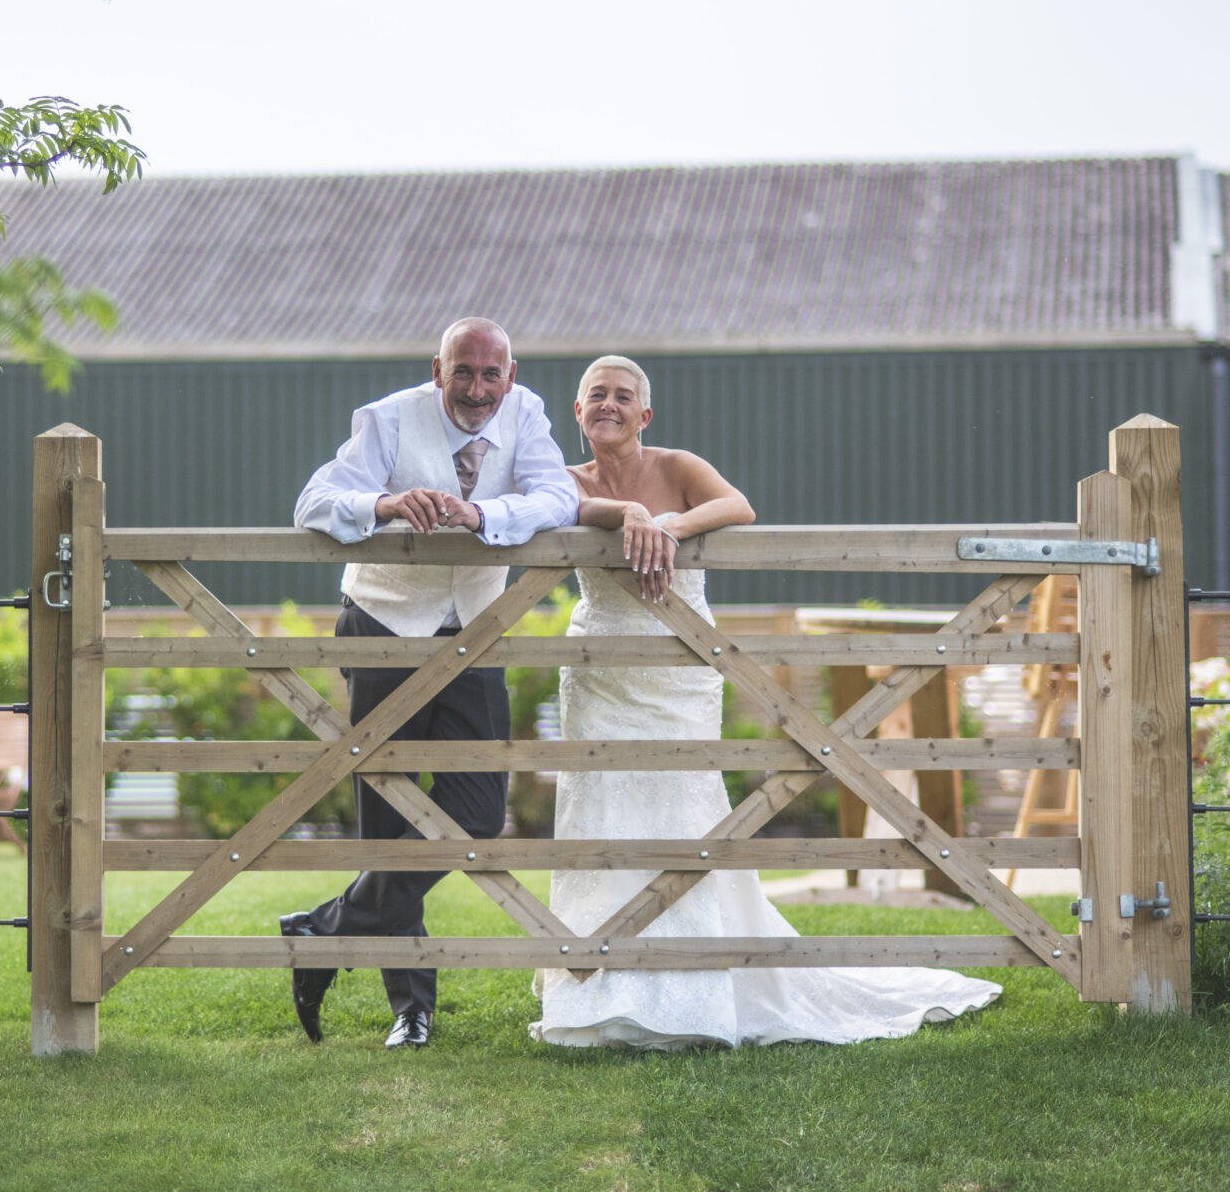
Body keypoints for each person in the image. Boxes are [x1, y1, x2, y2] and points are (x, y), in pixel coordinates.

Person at [531, 354, 1001, 1049]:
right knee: (598, 800)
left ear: (644, 413)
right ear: (576, 411)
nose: (609, 404)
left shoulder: (678, 463)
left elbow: (739, 505)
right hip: (600, 670)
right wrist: (625, 510)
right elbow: (557, 509)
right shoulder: (562, 480)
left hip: (680, 668)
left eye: (623, 395)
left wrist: (666, 525)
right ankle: (599, 976)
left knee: (682, 805)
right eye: (595, 394)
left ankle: (693, 982)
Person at [285, 317, 579, 1049]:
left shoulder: (528, 414)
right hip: (384, 621)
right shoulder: (386, 419)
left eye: (491, 375)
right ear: (438, 368)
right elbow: (313, 502)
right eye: (463, 373)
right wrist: (381, 505)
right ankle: (410, 1010)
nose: (477, 389)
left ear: (509, 374)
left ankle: (323, 929)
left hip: (475, 629)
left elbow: (557, 499)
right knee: (386, 814)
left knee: (477, 813)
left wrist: (484, 514)